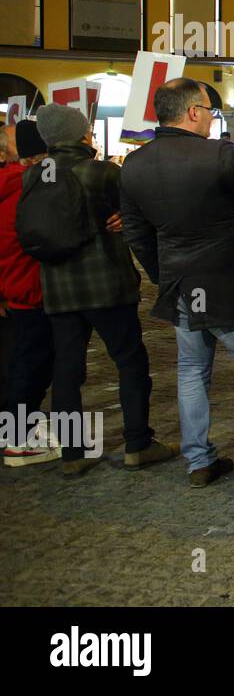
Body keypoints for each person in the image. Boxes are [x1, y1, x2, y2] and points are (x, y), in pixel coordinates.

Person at [119, 79, 234, 487]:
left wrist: (163, 276)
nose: (212, 117)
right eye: (210, 110)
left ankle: (197, 461)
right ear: (193, 112)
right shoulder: (220, 155)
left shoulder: (135, 164)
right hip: (226, 279)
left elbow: (136, 233)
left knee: (192, 370)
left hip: (179, 282)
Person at [20, 105, 176, 476]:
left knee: (67, 370)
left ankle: (73, 452)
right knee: (129, 362)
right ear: (81, 134)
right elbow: (140, 215)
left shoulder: (35, 176)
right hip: (106, 284)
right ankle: (138, 443)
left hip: (58, 287)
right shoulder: (102, 172)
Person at [1, 122, 59, 466]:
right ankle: (17, 442)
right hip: (32, 287)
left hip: (15, 287)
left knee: (23, 361)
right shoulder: (24, 187)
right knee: (32, 365)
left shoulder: (10, 183)